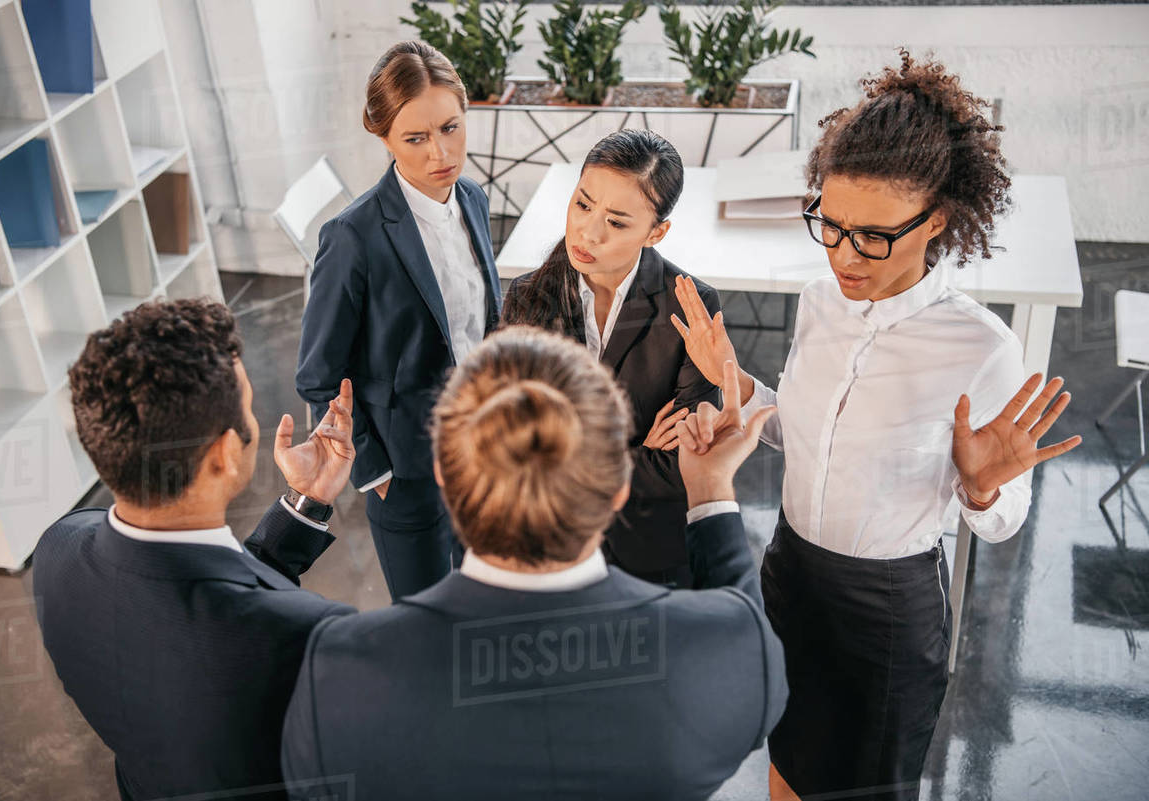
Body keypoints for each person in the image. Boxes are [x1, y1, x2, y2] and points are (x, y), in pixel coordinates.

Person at [670, 50, 1082, 801]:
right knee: (786, 768)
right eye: (829, 226)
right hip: (790, 576)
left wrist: (982, 488)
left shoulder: (980, 346)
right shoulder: (819, 301)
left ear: (939, 220)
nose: (843, 255)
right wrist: (737, 384)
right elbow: (800, 435)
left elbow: (1003, 521)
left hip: (884, 613)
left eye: (872, 235)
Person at [281, 327, 787, 801]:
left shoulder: (341, 669)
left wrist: (302, 506)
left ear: (443, 476)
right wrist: (710, 489)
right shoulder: (720, 652)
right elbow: (742, 633)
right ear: (619, 485)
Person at [34, 299, 360, 801]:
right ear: (225, 453)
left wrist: (306, 500)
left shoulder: (58, 550)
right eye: (249, 408)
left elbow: (197, 597)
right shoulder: (306, 637)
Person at [296, 41, 502, 601]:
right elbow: (317, 375)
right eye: (415, 138)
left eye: (451, 127)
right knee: (423, 615)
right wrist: (376, 470)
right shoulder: (353, 237)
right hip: (406, 467)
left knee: (483, 590)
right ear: (383, 137)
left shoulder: (473, 199)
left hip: (482, 446)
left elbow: (480, 324)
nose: (441, 152)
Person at [502, 129, 720, 588]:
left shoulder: (691, 306)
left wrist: (568, 462)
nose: (589, 232)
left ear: (656, 232)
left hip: (650, 552)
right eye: (583, 204)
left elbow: (687, 460)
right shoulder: (525, 299)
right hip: (551, 546)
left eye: (617, 223)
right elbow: (515, 448)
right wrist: (637, 455)